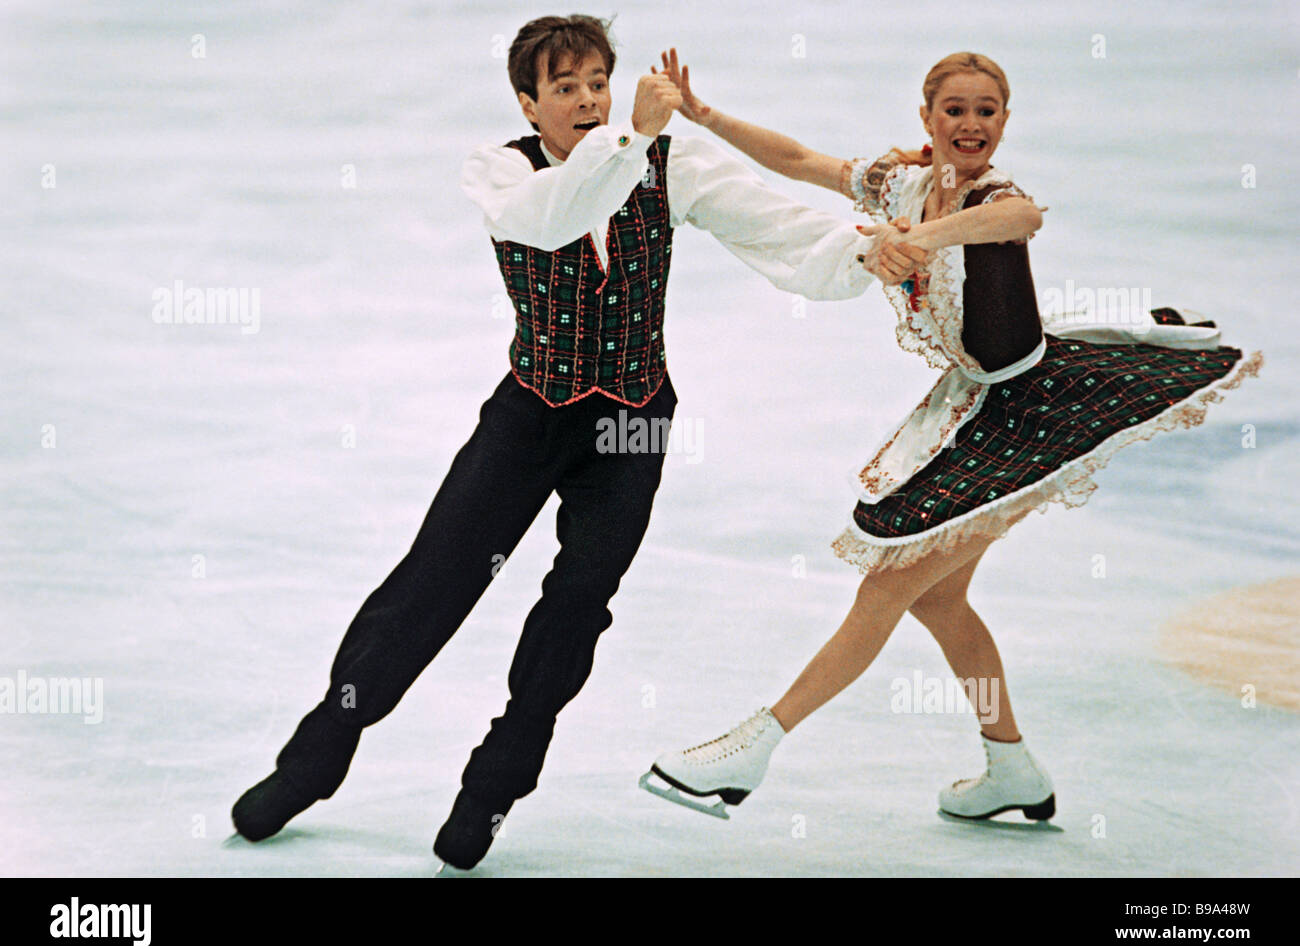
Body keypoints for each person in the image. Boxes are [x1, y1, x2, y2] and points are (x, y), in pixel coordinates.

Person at [230, 16, 914, 871]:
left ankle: (494, 784)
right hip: (532, 413)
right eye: (567, 87)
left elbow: (774, 227)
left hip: (631, 419)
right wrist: (632, 133)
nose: (589, 98)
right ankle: (317, 754)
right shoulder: (503, 173)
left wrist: (864, 250)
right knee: (433, 582)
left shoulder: (671, 160)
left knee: (577, 607)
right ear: (529, 101)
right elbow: (561, 218)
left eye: (598, 81)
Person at [642, 49, 1264, 822]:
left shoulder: (994, 194)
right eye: (955, 110)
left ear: (1004, 121)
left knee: (888, 584)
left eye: (987, 111)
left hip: (1034, 414)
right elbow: (802, 160)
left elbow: (1020, 219)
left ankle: (752, 749)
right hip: (971, 407)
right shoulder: (902, 182)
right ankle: (1012, 768)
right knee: (938, 600)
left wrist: (923, 241)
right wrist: (707, 117)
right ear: (927, 118)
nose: (971, 124)